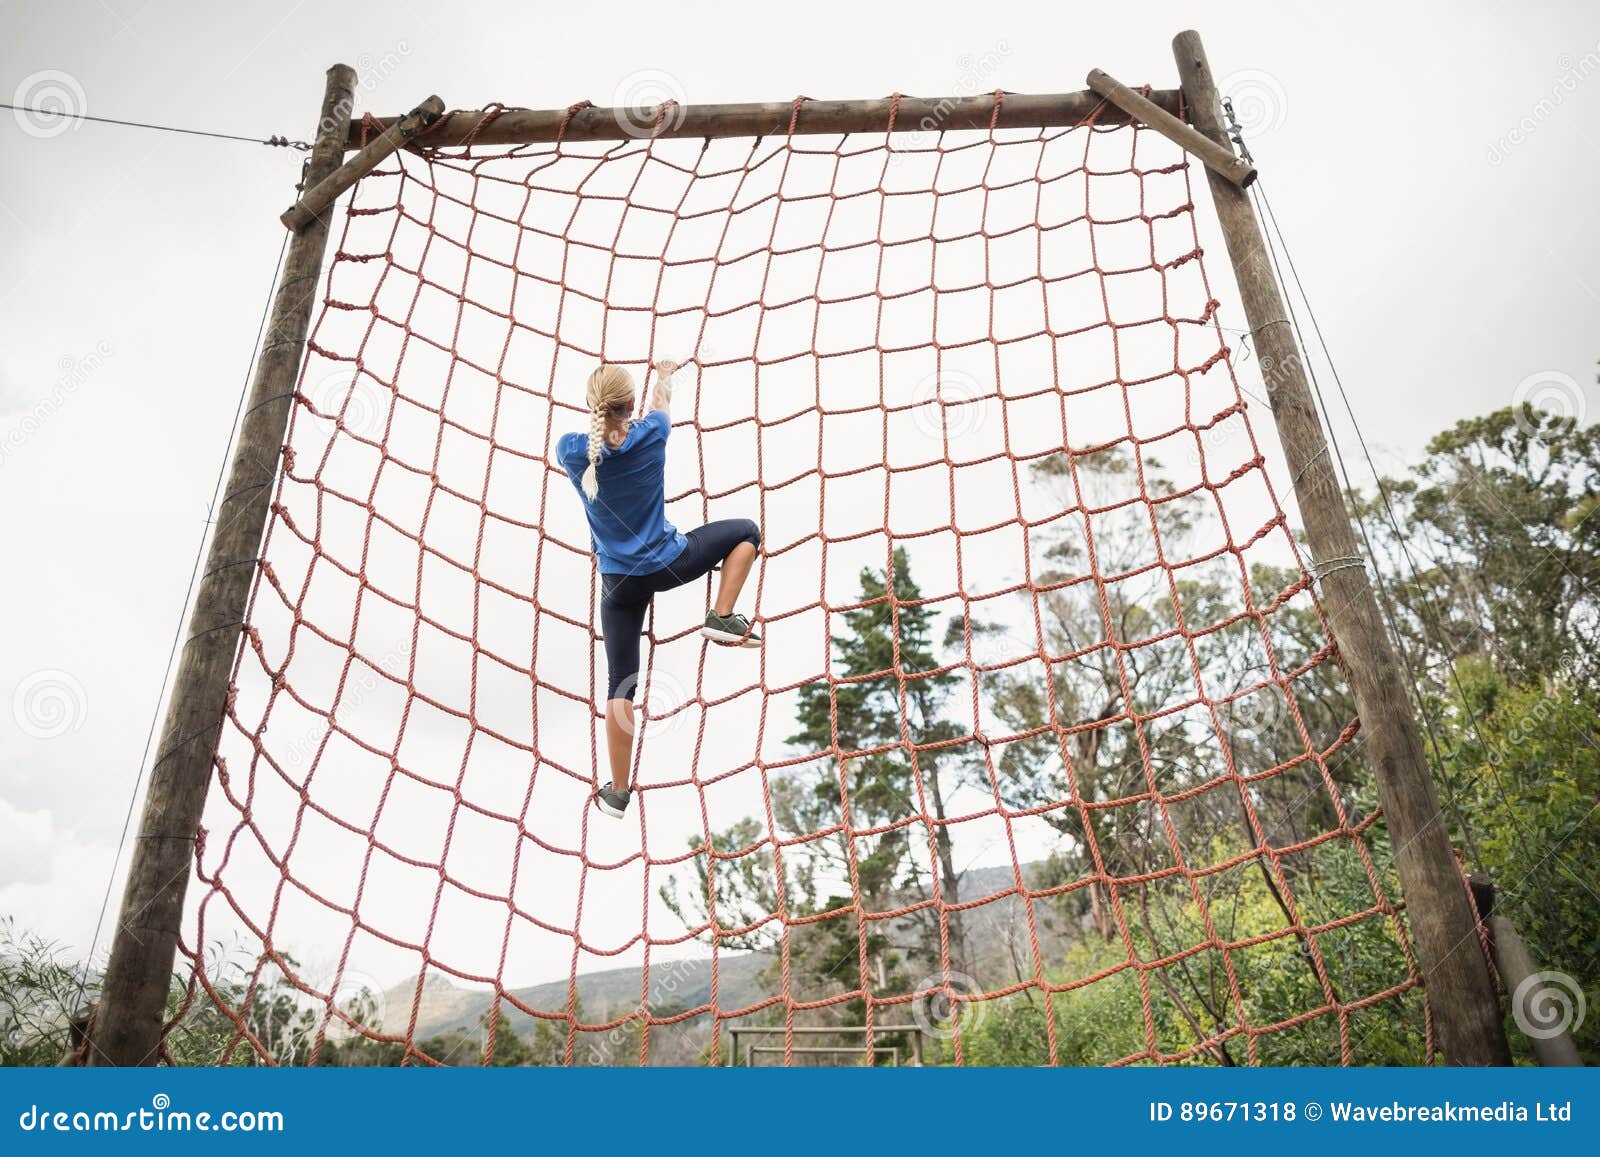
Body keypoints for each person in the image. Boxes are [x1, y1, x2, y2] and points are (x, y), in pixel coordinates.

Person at [557, 359, 762, 819]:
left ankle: (618, 791)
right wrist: (664, 375)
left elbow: (604, 434)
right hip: (670, 565)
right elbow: (661, 403)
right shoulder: (652, 434)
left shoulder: (571, 451)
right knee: (747, 530)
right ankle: (722, 615)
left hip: (618, 585)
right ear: (629, 406)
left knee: (620, 685)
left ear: (591, 407)